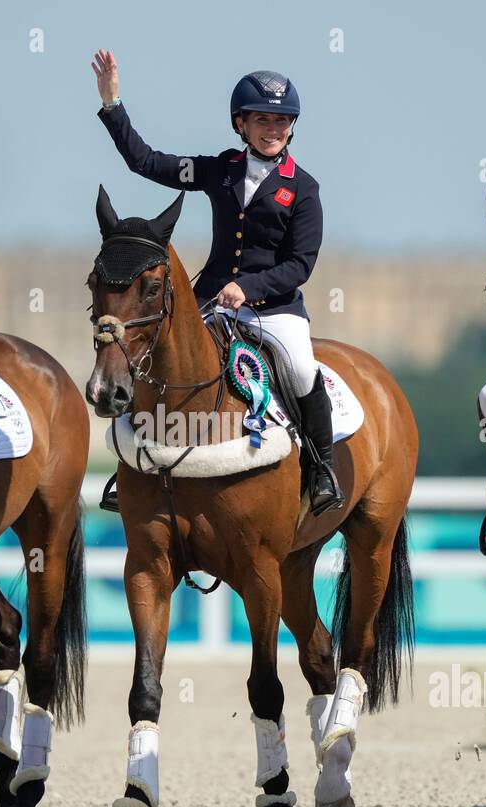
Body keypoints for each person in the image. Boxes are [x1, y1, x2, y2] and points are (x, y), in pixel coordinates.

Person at [89, 50, 343, 516]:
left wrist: (250, 288)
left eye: (282, 121)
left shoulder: (303, 188)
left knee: (302, 369)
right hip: (210, 302)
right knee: (152, 352)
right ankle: (133, 463)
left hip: (274, 308)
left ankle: (322, 467)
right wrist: (113, 106)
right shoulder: (220, 169)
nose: (273, 129)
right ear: (240, 124)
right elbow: (146, 161)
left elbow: (300, 264)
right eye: (262, 119)